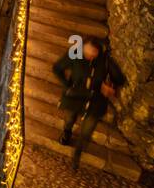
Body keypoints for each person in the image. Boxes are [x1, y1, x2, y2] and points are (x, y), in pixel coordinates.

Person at [52, 37, 125, 170]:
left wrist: (110, 87)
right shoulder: (75, 54)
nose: (90, 56)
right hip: (75, 96)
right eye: (87, 52)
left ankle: (77, 156)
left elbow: (119, 78)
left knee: (86, 132)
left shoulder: (105, 61)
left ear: (98, 51)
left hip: (95, 101)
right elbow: (57, 68)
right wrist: (67, 85)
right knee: (69, 119)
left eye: (94, 53)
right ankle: (67, 133)